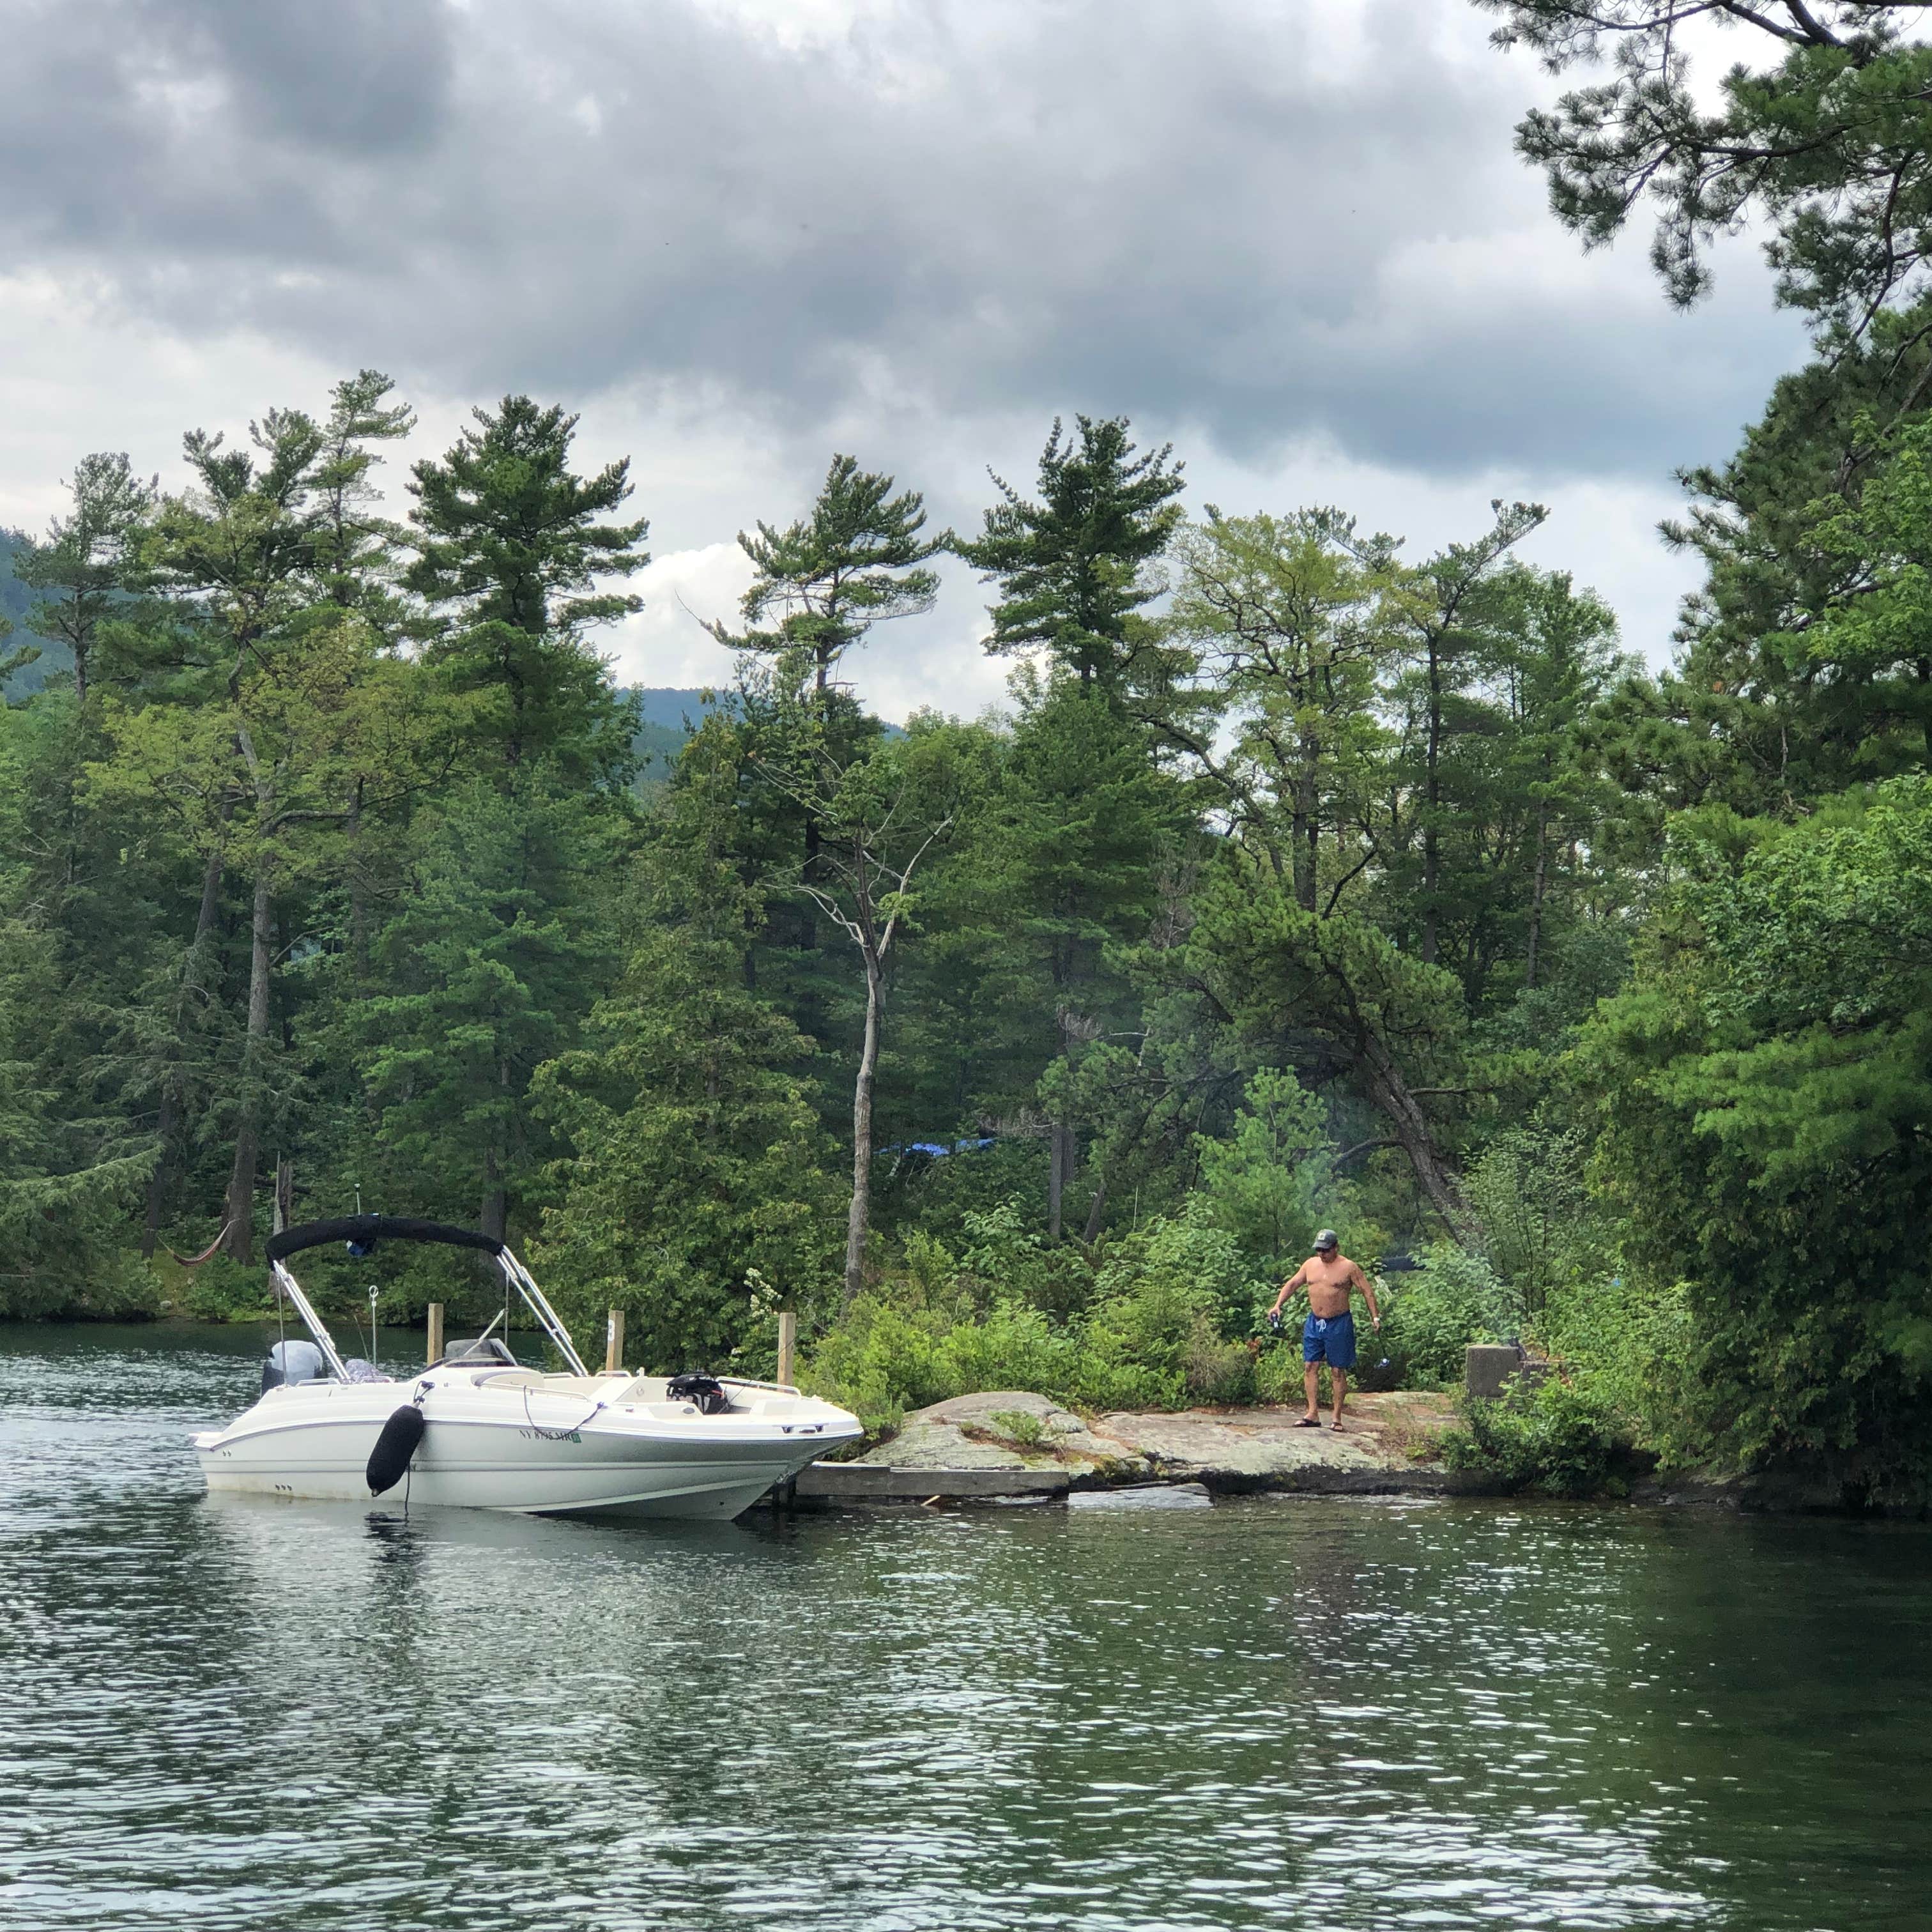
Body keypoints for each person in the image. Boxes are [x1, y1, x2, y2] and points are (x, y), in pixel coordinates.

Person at [1268, 1229, 1381, 1429]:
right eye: (1319, 1249)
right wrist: (1278, 1304)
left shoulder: (1349, 1267)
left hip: (1338, 1323)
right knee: (1310, 1365)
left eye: (1326, 1250)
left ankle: (1337, 1417)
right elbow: (1293, 1283)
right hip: (1315, 1321)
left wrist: (1375, 1317)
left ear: (1336, 1247)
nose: (1322, 1253)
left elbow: (1367, 1292)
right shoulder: (1310, 1264)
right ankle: (1312, 1413)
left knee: (1337, 1369)